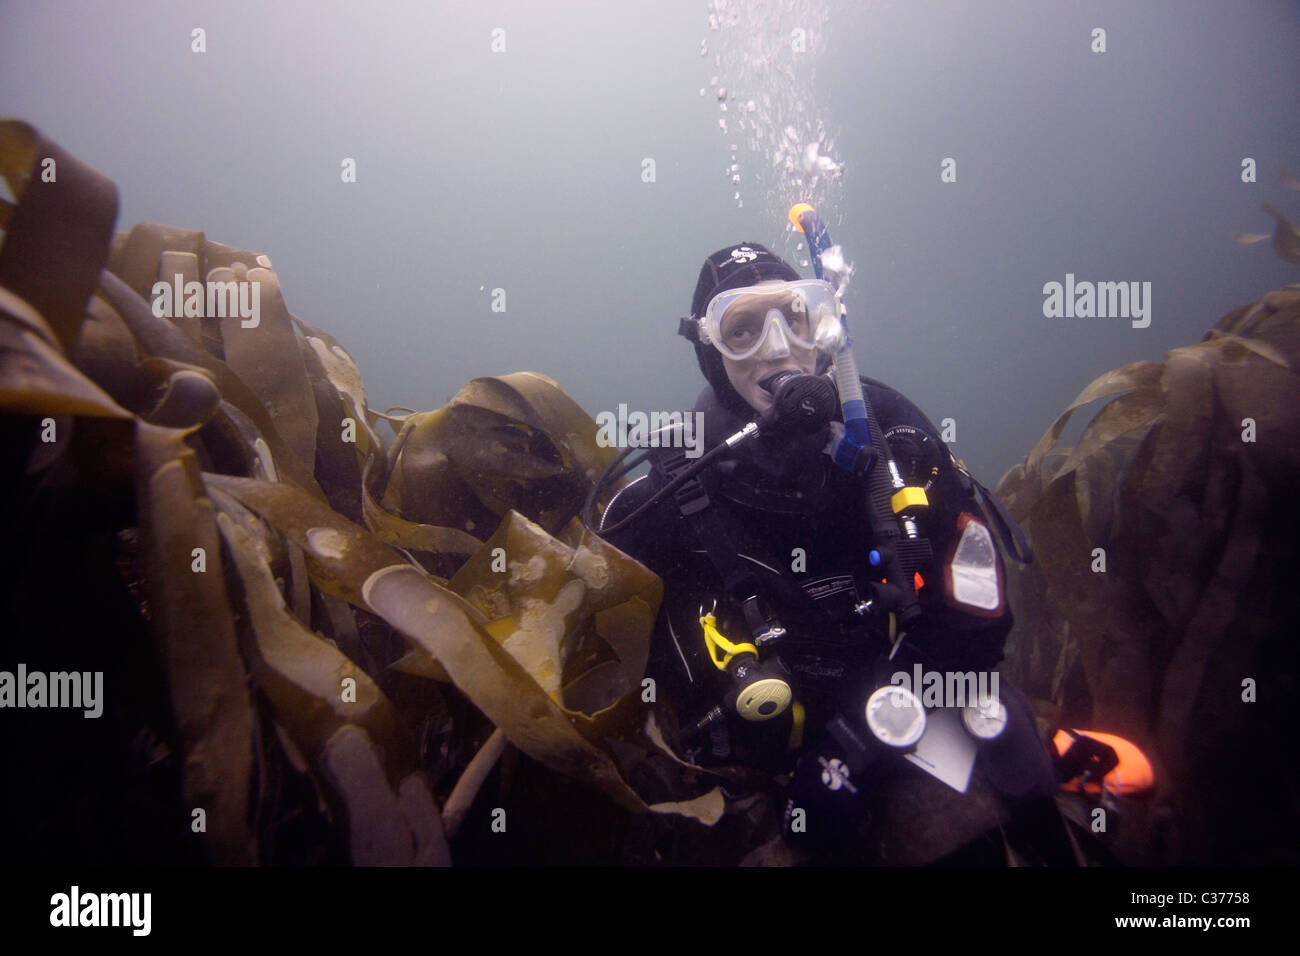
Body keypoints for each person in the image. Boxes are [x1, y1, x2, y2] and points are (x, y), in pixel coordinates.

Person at [590, 241, 1072, 863]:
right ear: (710, 353)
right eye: (741, 329)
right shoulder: (675, 484)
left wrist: (854, 744)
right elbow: (604, 629)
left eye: (794, 317)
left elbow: (981, 615)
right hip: (758, 767)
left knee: (1021, 805)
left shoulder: (896, 438)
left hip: (919, 705)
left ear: (822, 326)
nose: (775, 345)